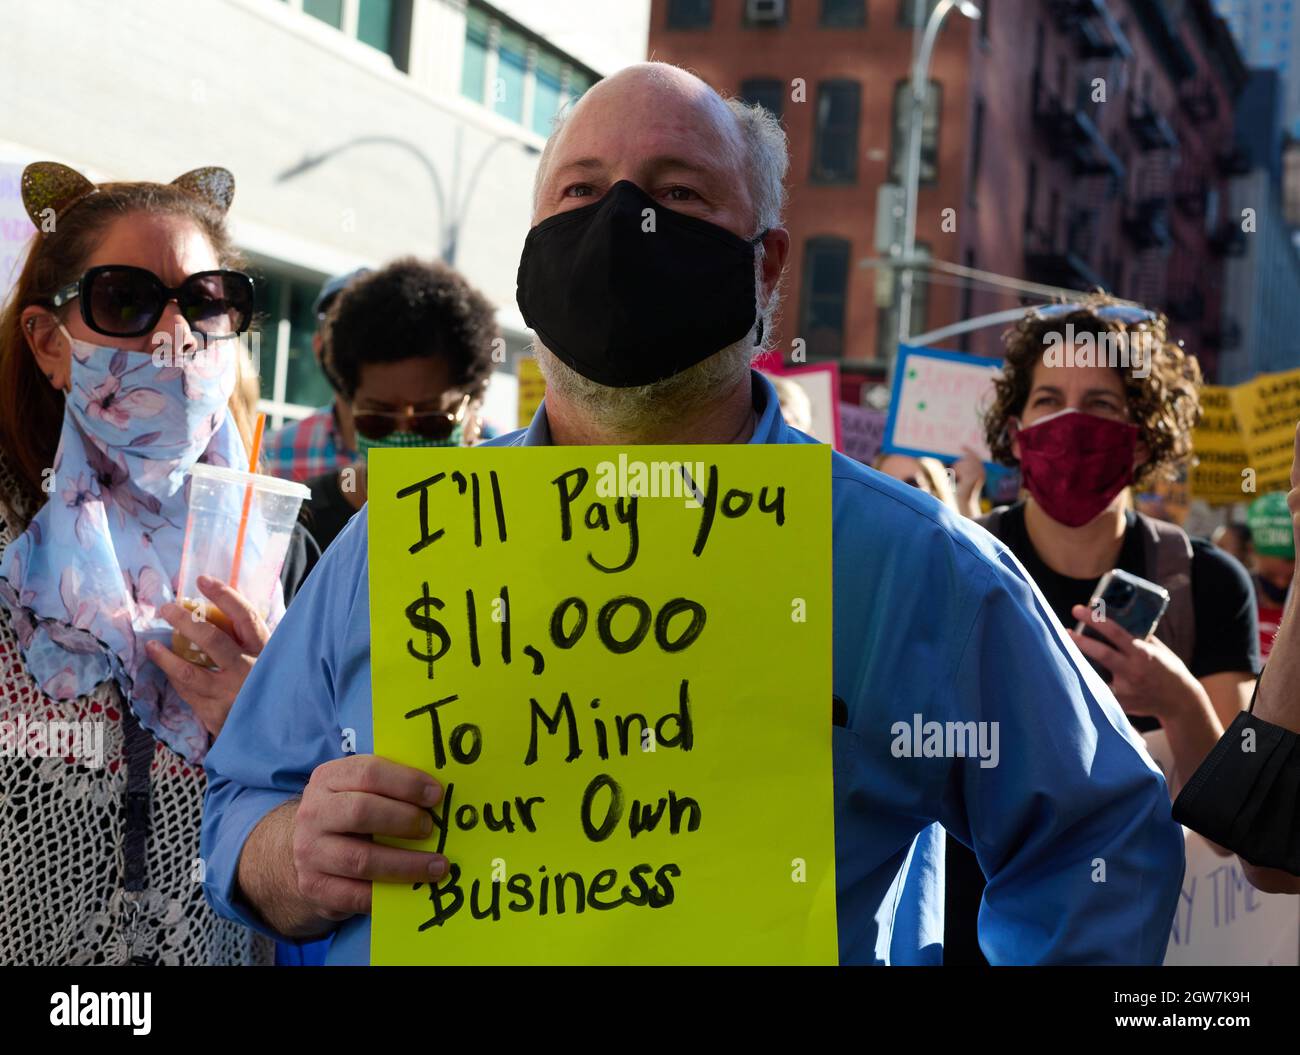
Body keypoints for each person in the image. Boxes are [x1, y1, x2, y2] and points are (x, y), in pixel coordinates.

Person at [201, 62, 1182, 966]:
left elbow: (1097, 840)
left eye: (678, 193)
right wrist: (290, 858)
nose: (625, 221)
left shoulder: (910, 564)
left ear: (766, 268)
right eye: (582, 191)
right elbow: (243, 800)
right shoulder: (399, 540)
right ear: (534, 249)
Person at [0, 162, 285, 964]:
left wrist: (268, 726)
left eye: (206, 301)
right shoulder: (9, 552)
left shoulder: (278, 545)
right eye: (125, 301)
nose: (174, 333)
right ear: (50, 345)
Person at [941, 296, 1260, 965]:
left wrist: (1177, 700)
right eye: (1049, 399)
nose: (1071, 422)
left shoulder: (1208, 584)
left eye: (1103, 405)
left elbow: (1239, 827)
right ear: (1017, 425)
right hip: (964, 934)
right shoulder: (955, 565)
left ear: (1141, 435)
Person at [1174, 425, 1300, 894]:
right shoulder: (1235, 588)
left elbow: (1260, 846)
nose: (1283, 575)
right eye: (1275, 564)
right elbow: (1263, 857)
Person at [299, 258, 495, 553]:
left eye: (431, 421)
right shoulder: (302, 526)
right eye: (378, 421)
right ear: (351, 405)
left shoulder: (511, 510)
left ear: (473, 405)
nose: (404, 439)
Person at [260, 268, 369, 484]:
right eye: (340, 327)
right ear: (318, 346)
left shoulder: (428, 453)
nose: (357, 343)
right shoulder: (271, 455)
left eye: (373, 327)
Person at [1245, 492, 1294, 661]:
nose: (1280, 584)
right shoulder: (1232, 604)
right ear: (1251, 552)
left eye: (1291, 579)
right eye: (1271, 576)